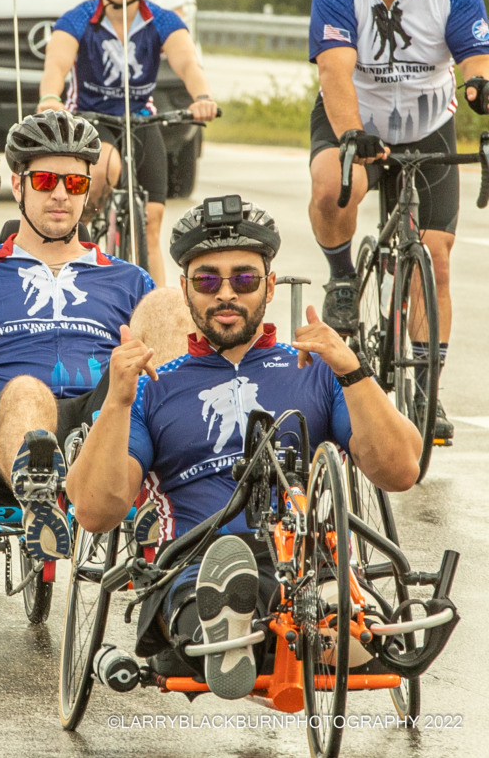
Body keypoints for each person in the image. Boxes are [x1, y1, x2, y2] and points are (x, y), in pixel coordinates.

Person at [66, 197, 421, 699]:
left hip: (306, 567)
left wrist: (352, 368)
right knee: (215, 590)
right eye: (207, 281)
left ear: (270, 287)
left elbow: (401, 470)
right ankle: (235, 628)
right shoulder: (152, 389)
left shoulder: (316, 372)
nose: (226, 294)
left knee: (326, 603)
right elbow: (95, 512)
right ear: (186, 290)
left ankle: (300, 630)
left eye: (245, 279)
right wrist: (117, 401)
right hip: (197, 566)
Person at [0, 110, 190, 561]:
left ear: (87, 190)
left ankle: (168, 481)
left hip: (102, 424)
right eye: (44, 181)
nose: (60, 194)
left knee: (170, 302)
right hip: (5, 429)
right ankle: (39, 505)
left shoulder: (128, 278)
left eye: (74, 183)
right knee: (27, 391)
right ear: (18, 187)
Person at [307, 0, 489, 447]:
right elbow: (335, 70)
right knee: (334, 186)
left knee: (435, 257)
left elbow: (476, 59)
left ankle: (428, 387)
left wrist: (479, 88)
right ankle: (342, 279)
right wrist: (352, 135)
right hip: (355, 115)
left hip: (428, 121)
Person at [38, 0, 218, 287]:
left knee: (152, 220)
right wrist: (49, 97)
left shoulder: (161, 19)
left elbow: (187, 62)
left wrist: (202, 97)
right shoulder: (78, 18)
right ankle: (80, 238)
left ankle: (155, 306)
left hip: (140, 118)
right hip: (91, 119)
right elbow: (56, 64)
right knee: (106, 166)